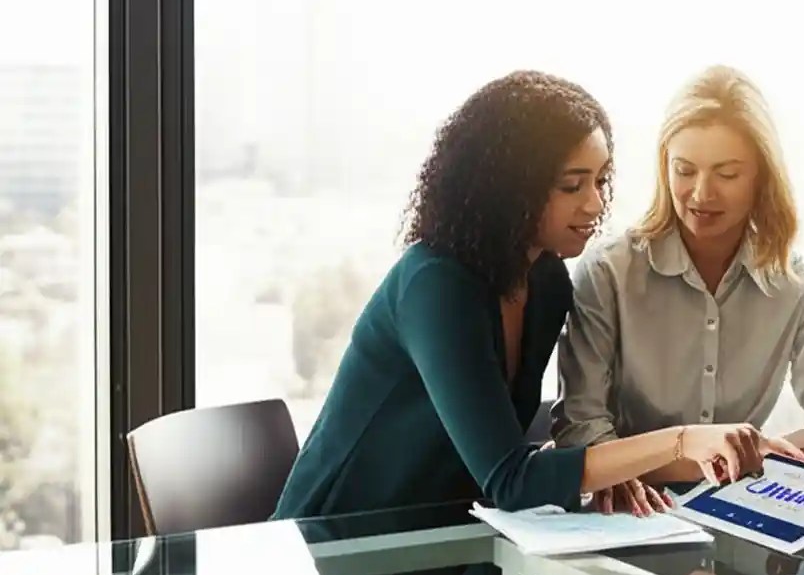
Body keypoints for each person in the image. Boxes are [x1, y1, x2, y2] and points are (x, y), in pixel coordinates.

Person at [273, 70, 772, 525]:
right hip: (333, 545)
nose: (595, 203)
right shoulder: (435, 286)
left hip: (446, 539)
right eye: (572, 186)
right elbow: (511, 481)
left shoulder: (547, 283)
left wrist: (603, 467)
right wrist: (682, 440)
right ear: (511, 187)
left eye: (600, 181)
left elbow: (502, 460)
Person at [551, 65, 804, 516]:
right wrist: (729, 457)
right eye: (684, 170)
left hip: (739, 512)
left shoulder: (791, 281)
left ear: (761, 176)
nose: (701, 194)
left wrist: (758, 452)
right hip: (630, 513)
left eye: (727, 173)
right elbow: (581, 431)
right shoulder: (609, 272)